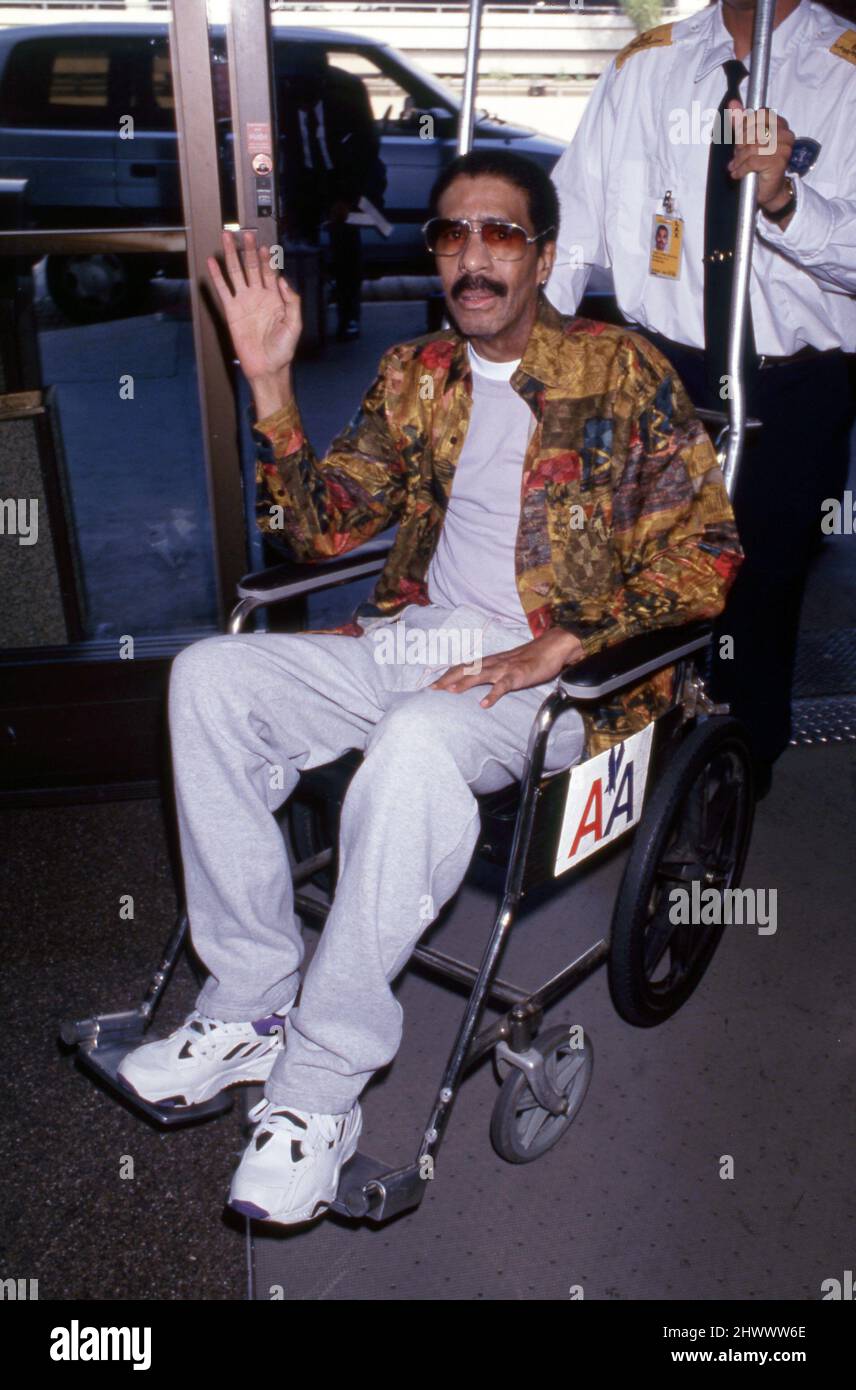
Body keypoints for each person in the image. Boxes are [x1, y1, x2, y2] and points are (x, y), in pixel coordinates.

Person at [118, 150, 742, 1228]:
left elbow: (712, 554)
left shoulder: (621, 372)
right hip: (417, 642)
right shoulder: (418, 374)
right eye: (452, 235)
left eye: (500, 234)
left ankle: (318, 1091)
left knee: (413, 740)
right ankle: (250, 997)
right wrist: (269, 381)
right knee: (210, 675)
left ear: (544, 254)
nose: (473, 256)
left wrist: (562, 642)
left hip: (567, 685)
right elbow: (321, 529)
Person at [547, 0, 856, 800]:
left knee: (759, 585)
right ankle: (630, 765)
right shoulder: (647, 63)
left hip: (793, 384)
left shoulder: (846, 70)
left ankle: (735, 776)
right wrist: (532, 355)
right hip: (662, 367)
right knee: (634, 570)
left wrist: (786, 200)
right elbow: (574, 216)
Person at [277, 48, 386, 341]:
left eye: (306, 90)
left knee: (346, 245)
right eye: (293, 87)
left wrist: (346, 199)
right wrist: (287, 205)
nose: (300, 97)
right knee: (302, 245)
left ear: (321, 82)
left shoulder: (348, 93)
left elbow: (365, 150)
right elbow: (285, 156)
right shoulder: (282, 95)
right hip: (306, 177)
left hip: (345, 173)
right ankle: (309, 314)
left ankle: (350, 315)